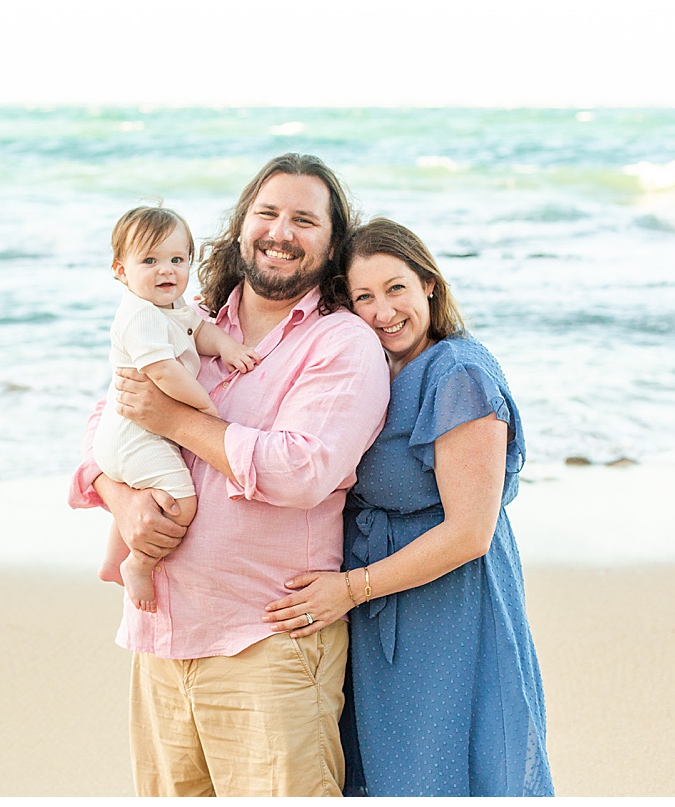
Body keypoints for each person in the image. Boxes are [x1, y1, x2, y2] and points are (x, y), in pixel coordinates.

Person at [67, 154, 390, 797]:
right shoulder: (193, 318)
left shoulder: (342, 343)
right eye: (267, 213)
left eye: (304, 219)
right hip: (162, 636)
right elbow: (110, 411)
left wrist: (179, 422)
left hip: (267, 643)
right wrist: (121, 496)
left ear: (332, 245)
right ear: (241, 225)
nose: (280, 230)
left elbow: (301, 469)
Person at [263, 218, 555, 796]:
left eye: (395, 288)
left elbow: (471, 531)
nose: (382, 311)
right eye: (363, 296)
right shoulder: (370, 369)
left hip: (450, 606)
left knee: (447, 768)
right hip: (376, 611)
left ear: (429, 285)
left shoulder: (458, 374)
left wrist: (350, 589)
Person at [93, 205, 259, 612]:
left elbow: (199, 330)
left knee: (145, 494)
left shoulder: (171, 308)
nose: (166, 270)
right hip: (134, 436)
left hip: (133, 431)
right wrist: (206, 410)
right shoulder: (140, 317)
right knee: (180, 504)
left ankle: (112, 560)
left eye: (176, 260)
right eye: (149, 261)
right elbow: (165, 373)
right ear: (121, 271)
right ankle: (138, 563)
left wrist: (228, 347)